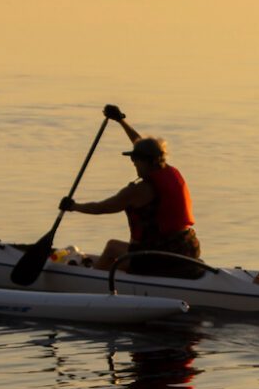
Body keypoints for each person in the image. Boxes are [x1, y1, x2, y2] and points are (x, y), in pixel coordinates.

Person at [60, 105, 203, 276]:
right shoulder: (168, 170)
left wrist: (74, 207)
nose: (133, 162)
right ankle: (102, 272)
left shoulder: (139, 191)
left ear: (146, 161)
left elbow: (102, 208)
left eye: (135, 158)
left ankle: (88, 284)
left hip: (162, 257)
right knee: (119, 261)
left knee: (112, 247)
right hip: (188, 249)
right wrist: (121, 121)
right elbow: (141, 143)